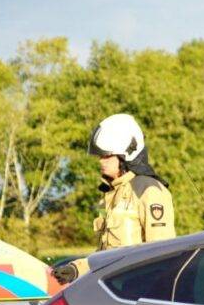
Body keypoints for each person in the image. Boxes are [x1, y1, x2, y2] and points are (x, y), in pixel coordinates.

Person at [52, 114, 175, 284]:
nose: (102, 161)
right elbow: (106, 254)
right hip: (113, 290)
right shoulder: (112, 193)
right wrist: (77, 269)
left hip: (137, 291)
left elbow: (163, 255)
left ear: (127, 154)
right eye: (101, 156)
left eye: (107, 156)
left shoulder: (149, 190)